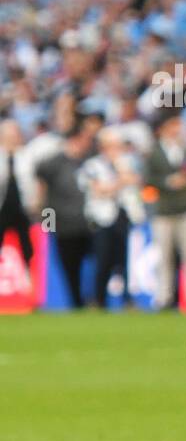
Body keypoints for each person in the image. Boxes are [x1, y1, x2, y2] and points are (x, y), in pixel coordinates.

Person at [144, 111, 186, 311]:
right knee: (164, 257)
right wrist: (168, 182)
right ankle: (164, 297)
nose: (177, 130)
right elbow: (147, 179)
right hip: (163, 210)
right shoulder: (153, 152)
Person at [34, 117, 95, 308]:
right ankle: (76, 302)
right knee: (69, 265)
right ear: (75, 139)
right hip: (63, 224)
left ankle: (91, 298)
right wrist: (46, 221)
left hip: (89, 222)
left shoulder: (89, 161)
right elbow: (42, 191)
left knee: (92, 263)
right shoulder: (53, 163)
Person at [80, 128, 143, 308]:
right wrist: (121, 181)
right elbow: (99, 190)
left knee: (125, 260)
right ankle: (99, 299)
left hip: (124, 215)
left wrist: (122, 177)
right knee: (103, 259)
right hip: (102, 218)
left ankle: (127, 298)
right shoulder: (93, 166)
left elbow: (137, 181)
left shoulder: (127, 163)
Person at [0, 119, 37, 279]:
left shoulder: (27, 156)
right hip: (2, 207)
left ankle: (29, 278)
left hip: (23, 208)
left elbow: (34, 183)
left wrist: (36, 203)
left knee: (27, 246)